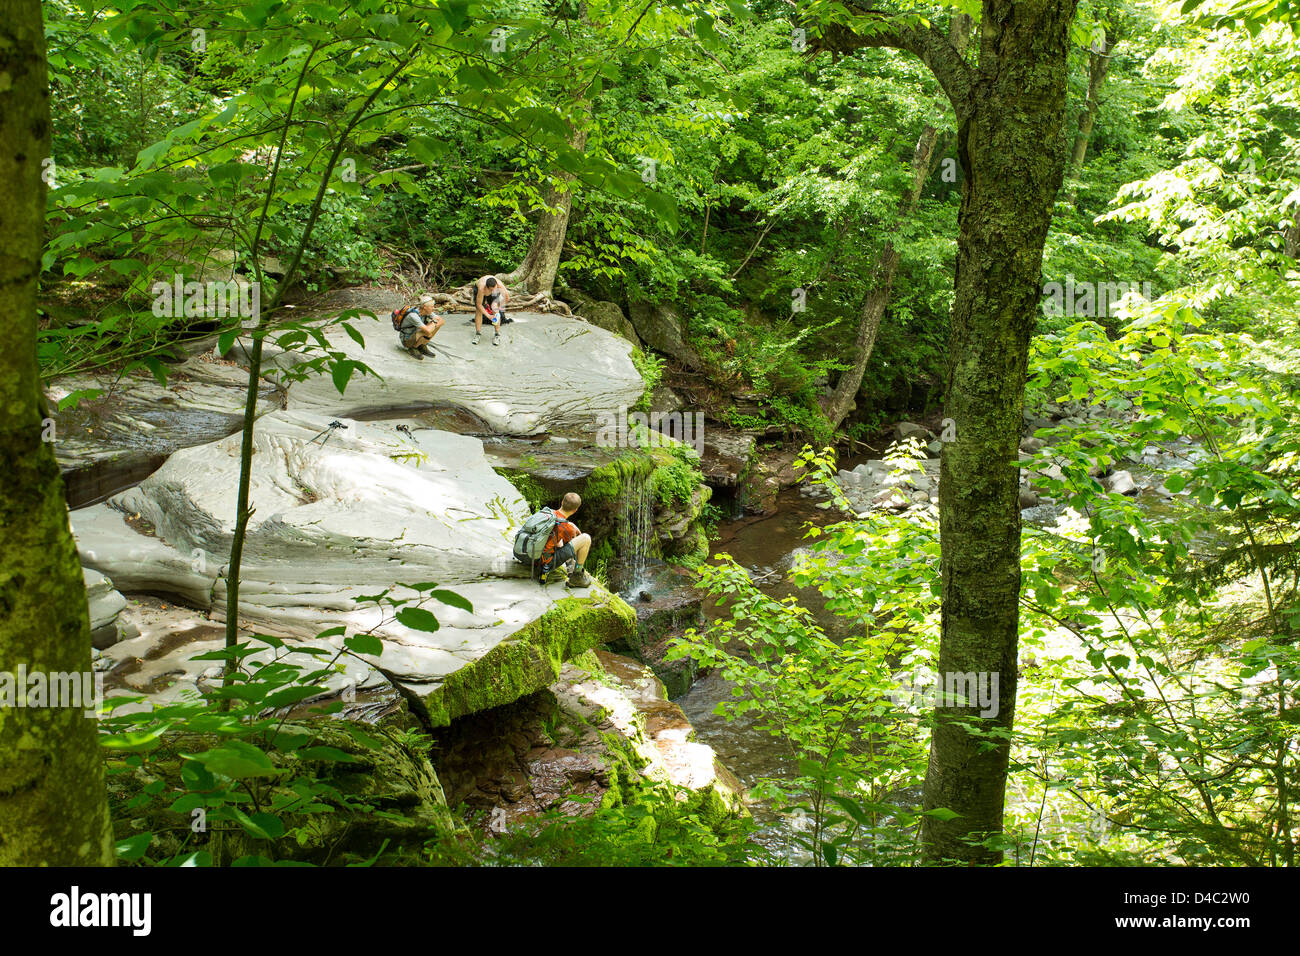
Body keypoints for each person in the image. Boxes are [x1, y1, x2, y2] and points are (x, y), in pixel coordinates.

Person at [538, 491, 594, 587]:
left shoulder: (547, 512)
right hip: (545, 563)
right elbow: (571, 550)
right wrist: (571, 529)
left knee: (558, 540)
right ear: (575, 510)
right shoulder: (567, 528)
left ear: (562, 502)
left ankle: (571, 569)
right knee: (586, 538)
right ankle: (577, 576)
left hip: (530, 555)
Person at [397, 294, 445, 360]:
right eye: (432, 306)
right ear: (425, 307)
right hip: (406, 339)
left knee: (434, 327)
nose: (433, 308)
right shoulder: (413, 315)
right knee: (426, 331)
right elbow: (428, 330)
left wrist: (434, 324)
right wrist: (434, 322)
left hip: (415, 334)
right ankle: (413, 348)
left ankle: (421, 345)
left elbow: (442, 321)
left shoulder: (428, 312)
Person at [469, 275, 510, 346]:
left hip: (492, 289)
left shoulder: (499, 286)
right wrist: (489, 316)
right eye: (491, 290)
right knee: (479, 311)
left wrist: (498, 307)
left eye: (494, 289)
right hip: (480, 290)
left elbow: (507, 298)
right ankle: (478, 334)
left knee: (495, 309)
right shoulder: (481, 288)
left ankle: (497, 335)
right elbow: (479, 305)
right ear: (487, 288)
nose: (493, 291)